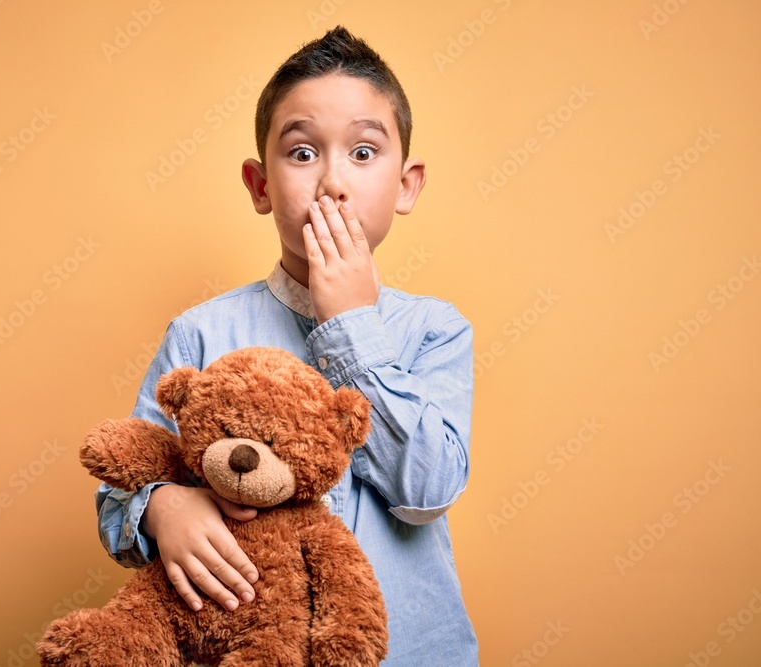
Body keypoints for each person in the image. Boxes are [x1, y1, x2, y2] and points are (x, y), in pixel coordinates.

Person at [96, 26, 478, 665]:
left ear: (406, 185)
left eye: (363, 153)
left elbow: (427, 491)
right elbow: (120, 492)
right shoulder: (201, 333)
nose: (332, 183)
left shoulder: (435, 330)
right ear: (259, 185)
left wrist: (350, 325)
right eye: (302, 154)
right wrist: (162, 508)